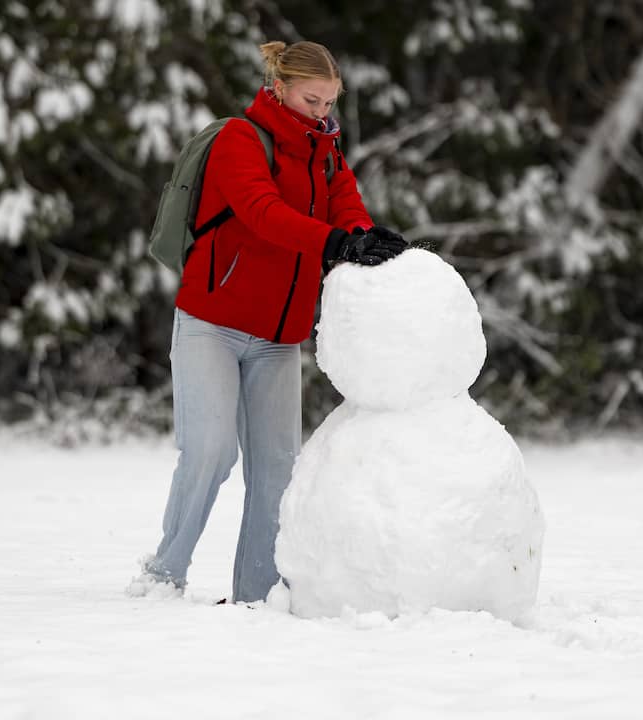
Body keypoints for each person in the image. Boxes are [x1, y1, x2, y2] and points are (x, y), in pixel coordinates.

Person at [129, 40, 408, 602]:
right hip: (212, 323)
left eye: (329, 103)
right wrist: (335, 243)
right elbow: (262, 213)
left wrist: (361, 236)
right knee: (209, 451)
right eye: (312, 100)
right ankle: (163, 575)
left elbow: (345, 203)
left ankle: (257, 595)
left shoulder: (324, 151)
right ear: (279, 87)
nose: (322, 113)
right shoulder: (240, 139)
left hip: (278, 338)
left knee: (277, 470)